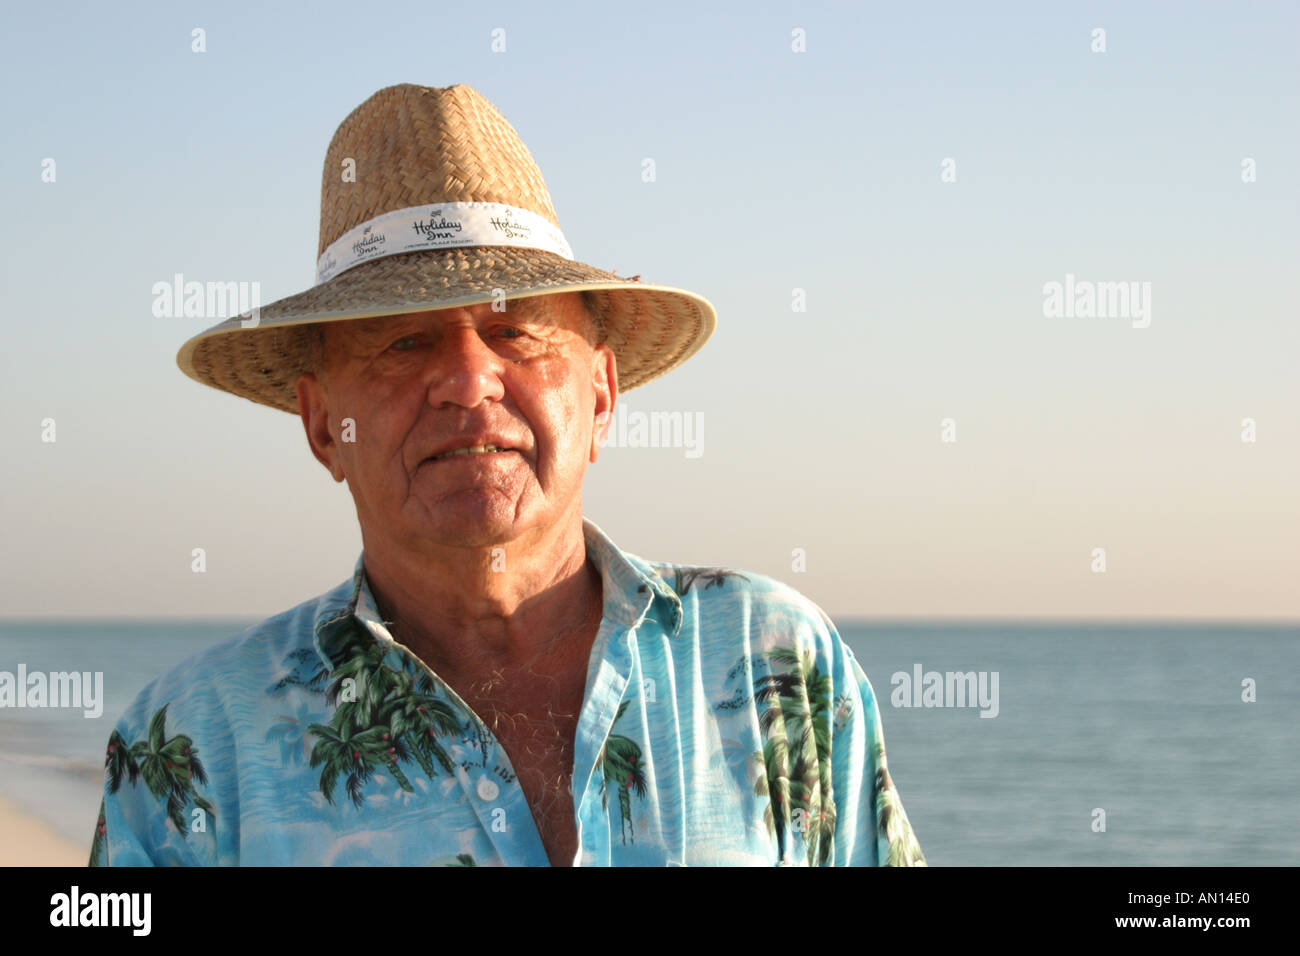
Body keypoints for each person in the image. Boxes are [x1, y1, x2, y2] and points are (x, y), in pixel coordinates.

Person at [89, 83, 926, 866]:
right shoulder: (193, 746)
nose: (466, 379)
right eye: (401, 341)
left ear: (600, 393)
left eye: (515, 332)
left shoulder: (769, 658)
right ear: (322, 425)